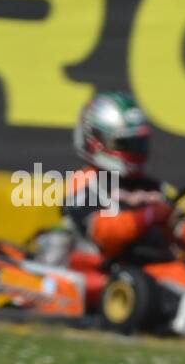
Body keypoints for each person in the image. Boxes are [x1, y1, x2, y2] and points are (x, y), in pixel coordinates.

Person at [33, 91, 177, 267]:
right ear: (96, 141)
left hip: (155, 268)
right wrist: (150, 216)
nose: (134, 151)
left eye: (138, 144)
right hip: (102, 269)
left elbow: (182, 236)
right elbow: (102, 231)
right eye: (125, 144)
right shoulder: (86, 180)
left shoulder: (153, 186)